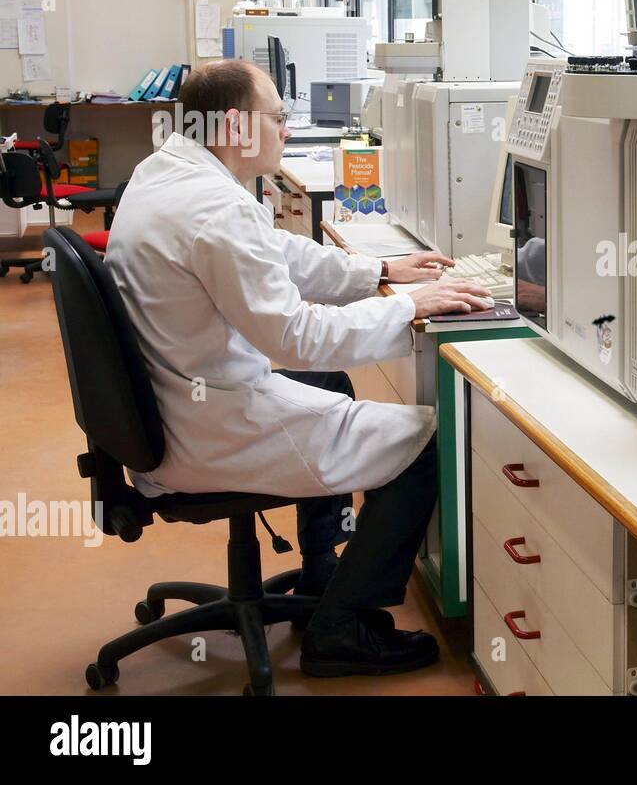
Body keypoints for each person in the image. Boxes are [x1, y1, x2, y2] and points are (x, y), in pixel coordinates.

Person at [105, 59, 492, 677]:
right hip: (208, 424)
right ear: (235, 124)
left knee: (329, 386)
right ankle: (342, 629)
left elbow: (273, 251)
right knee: (427, 441)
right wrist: (406, 312)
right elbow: (296, 335)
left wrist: (379, 273)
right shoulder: (212, 207)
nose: (286, 131)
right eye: (278, 118)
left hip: (169, 404)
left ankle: (324, 569)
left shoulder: (168, 172)